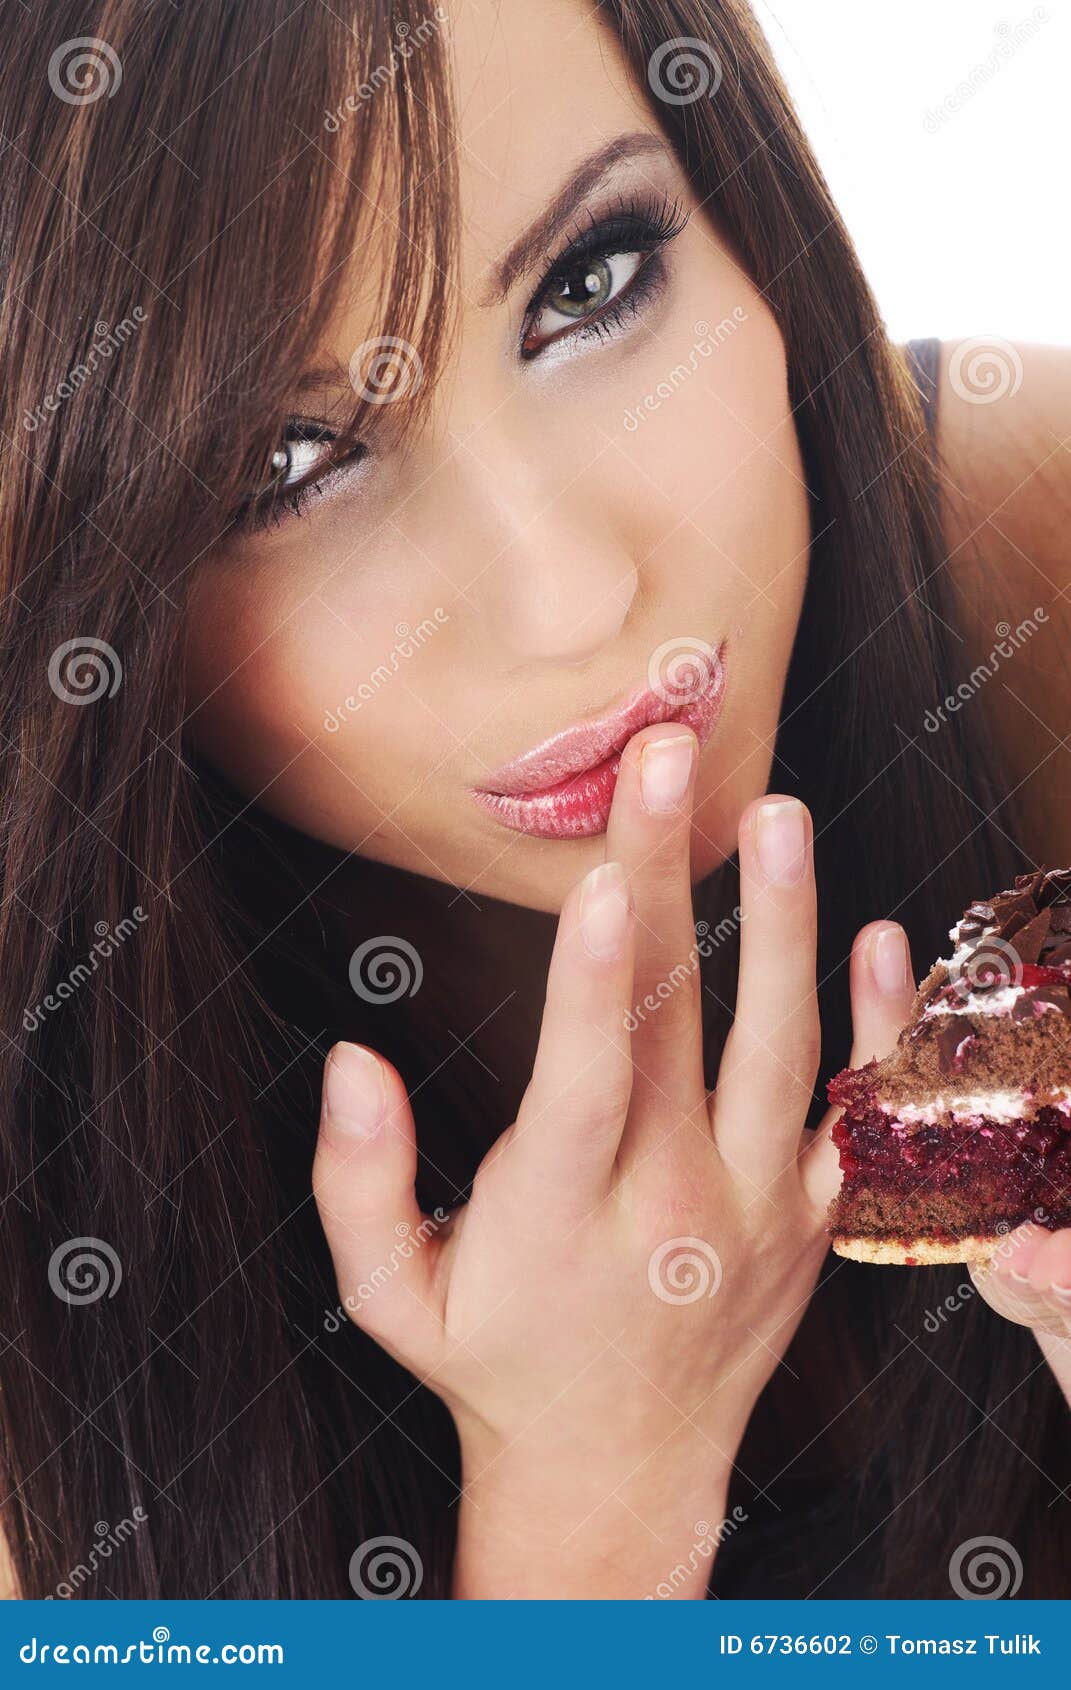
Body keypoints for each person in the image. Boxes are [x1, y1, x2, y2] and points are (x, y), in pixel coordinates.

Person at [0, 0, 1067, 1600]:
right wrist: (590, 1503)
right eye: (281, 468)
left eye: (592, 281)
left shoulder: (1024, 538)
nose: (572, 596)